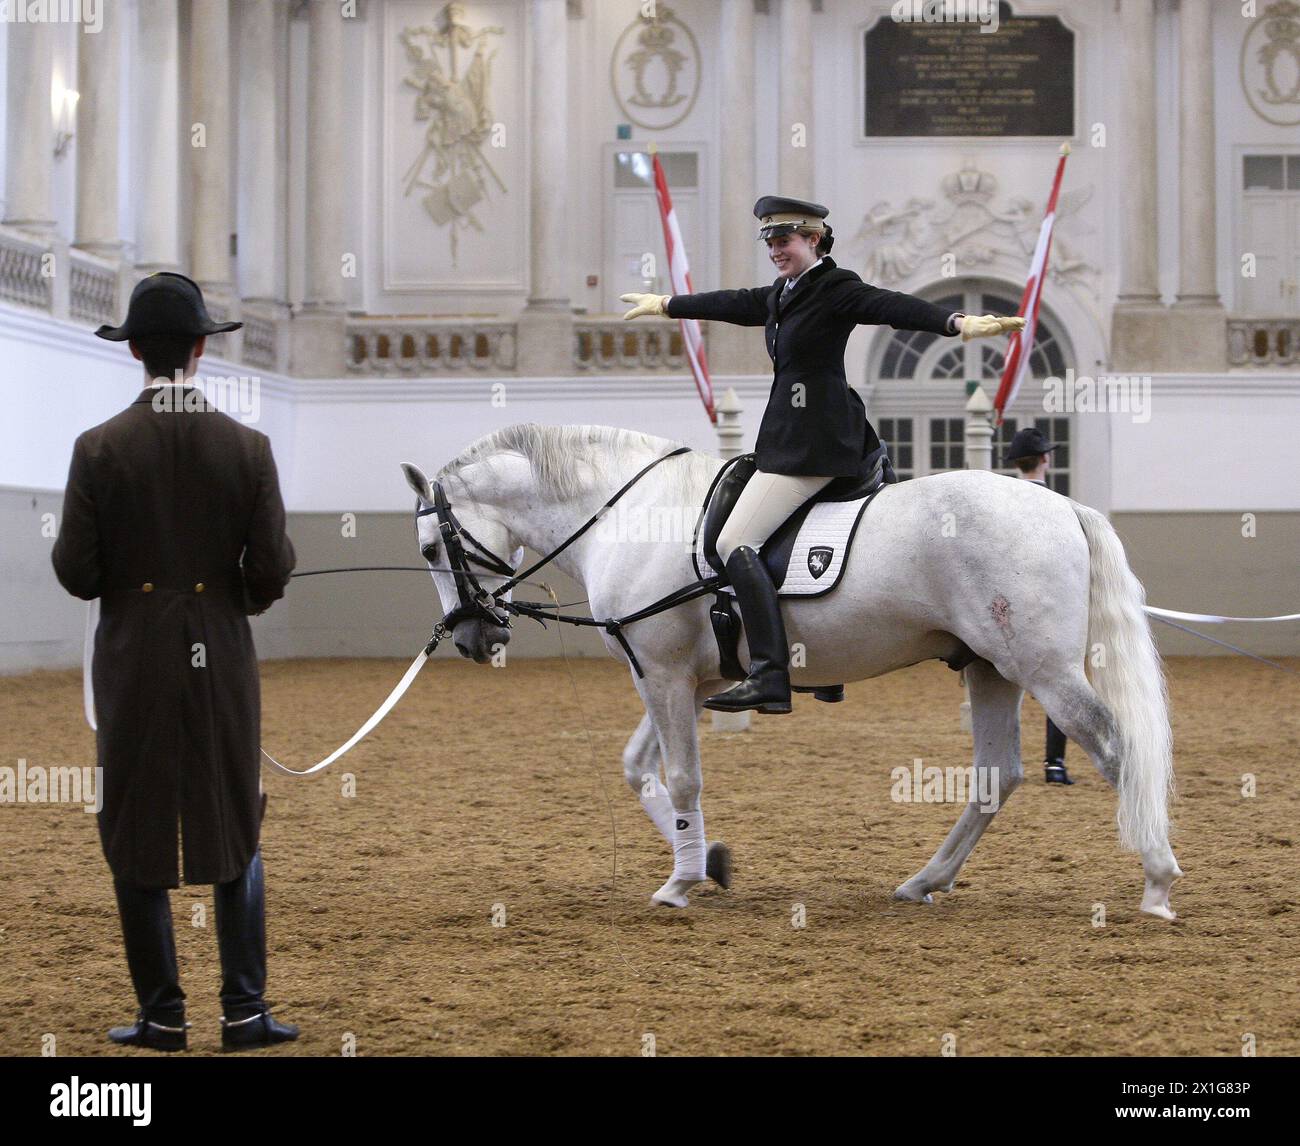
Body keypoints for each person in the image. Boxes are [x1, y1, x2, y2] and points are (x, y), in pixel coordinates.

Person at [622, 196, 1025, 713]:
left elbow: (889, 305)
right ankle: (822, 663)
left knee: (735, 540)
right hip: (797, 437)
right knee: (785, 534)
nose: (775, 250)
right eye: (769, 242)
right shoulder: (782, 295)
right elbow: (735, 302)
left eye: (784, 240)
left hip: (814, 444)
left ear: (814, 239)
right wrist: (667, 305)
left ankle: (769, 671)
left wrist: (955, 323)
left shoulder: (837, 288)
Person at [51, 273, 300, 1051]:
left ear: (134, 350)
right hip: (220, 650)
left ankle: (161, 1014)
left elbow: (76, 571)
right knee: (235, 817)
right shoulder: (248, 448)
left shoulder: (97, 449)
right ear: (201, 350)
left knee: (135, 820)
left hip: (132, 655)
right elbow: (271, 568)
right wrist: (235, 599)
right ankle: (245, 1011)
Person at [1005, 425, 1074, 786]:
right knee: (1059, 684)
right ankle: (1055, 763)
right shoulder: (1059, 508)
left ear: (1017, 463)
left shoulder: (1003, 507)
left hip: (1005, 615)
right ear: (1045, 459)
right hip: (1048, 610)